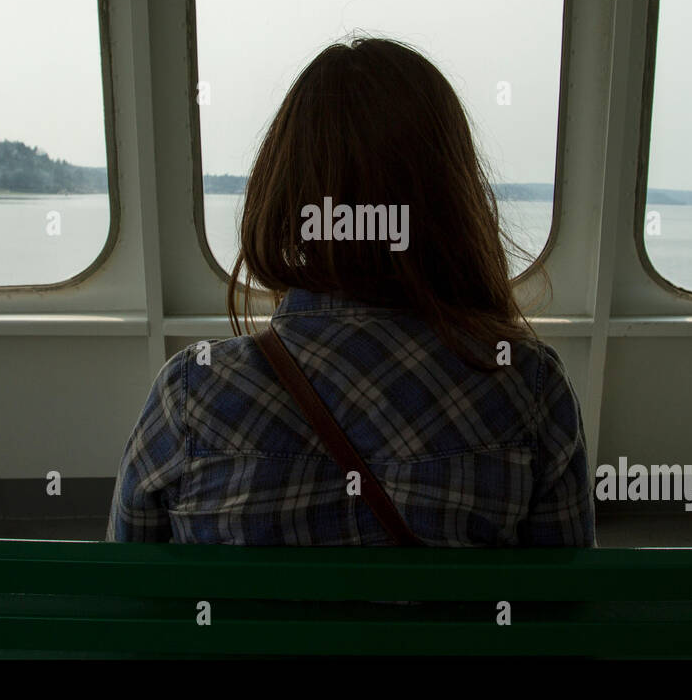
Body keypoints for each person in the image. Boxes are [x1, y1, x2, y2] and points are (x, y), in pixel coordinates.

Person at [106, 36, 594, 546]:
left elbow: (131, 591)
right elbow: (559, 605)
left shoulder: (192, 393)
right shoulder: (529, 387)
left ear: (284, 195)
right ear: (453, 201)